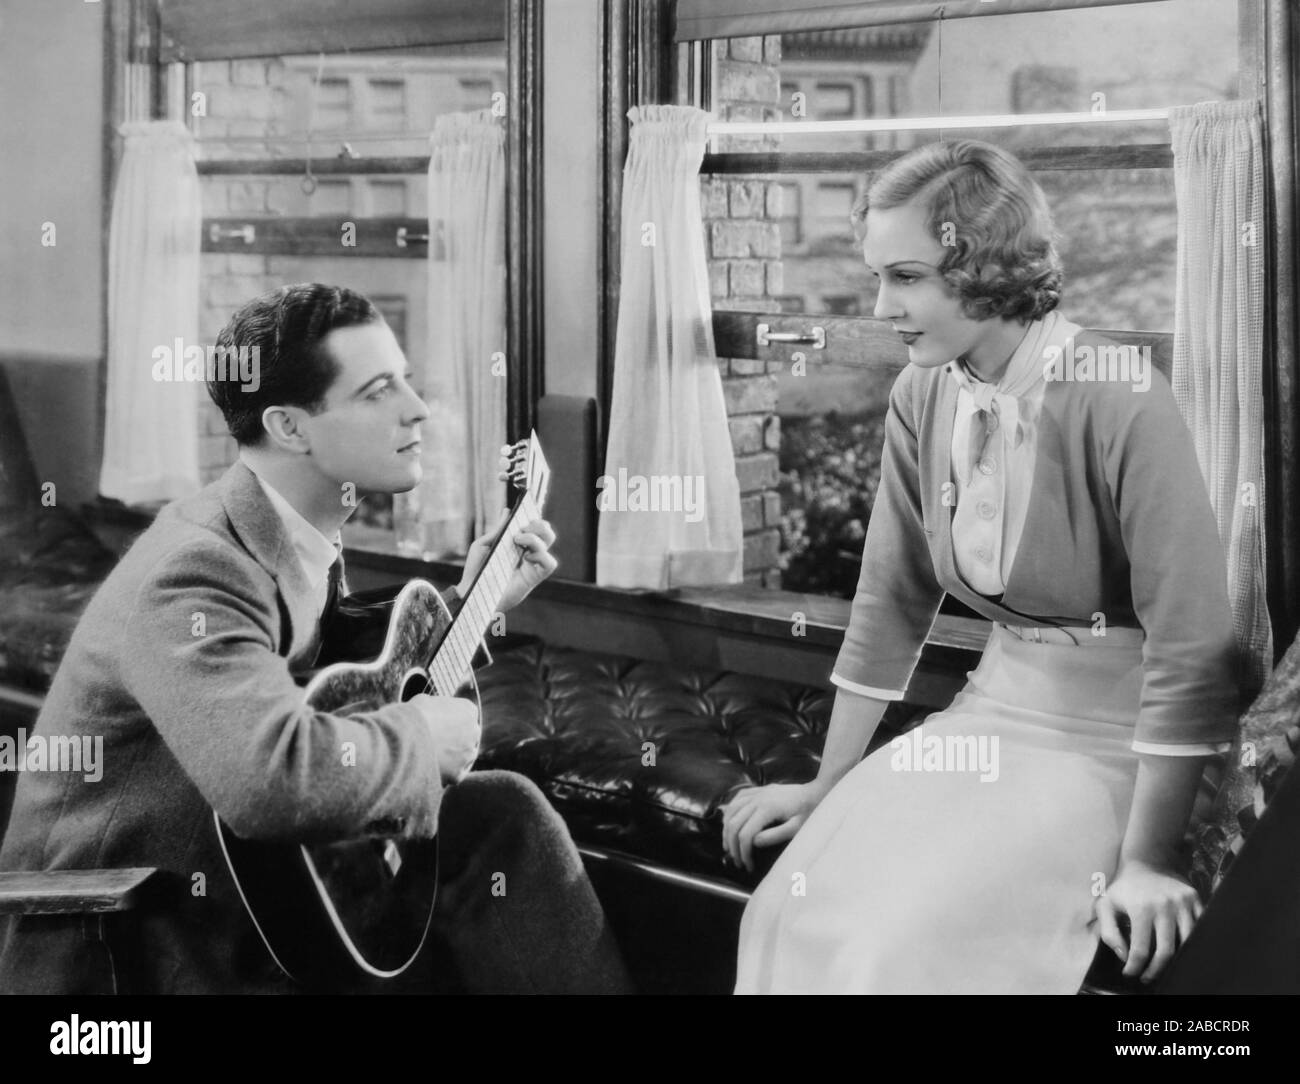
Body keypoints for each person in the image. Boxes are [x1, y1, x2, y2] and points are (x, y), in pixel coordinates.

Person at [0, 283, 630, 995]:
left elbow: (338, 676)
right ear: (291, 428)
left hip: (259, 877)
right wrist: (421, 740)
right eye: (377, 391)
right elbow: (267, 780)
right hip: (135, 930)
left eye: (408, 382)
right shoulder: (194, 570)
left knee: (503, 819)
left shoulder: (295, 530)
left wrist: (477, 605)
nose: (417, 410)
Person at [723, 140, 1240, 994]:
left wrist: (1147, 859)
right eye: (878, 277)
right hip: (988, 717)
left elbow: (1195, 646)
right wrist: (826, 782)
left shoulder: (1122, 396)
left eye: (908, 277)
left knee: (898, 947)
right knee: (788, 910)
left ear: (988, 267)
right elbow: (890, 600)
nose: (883, 305)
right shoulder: (920, 394)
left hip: (1115, 746)